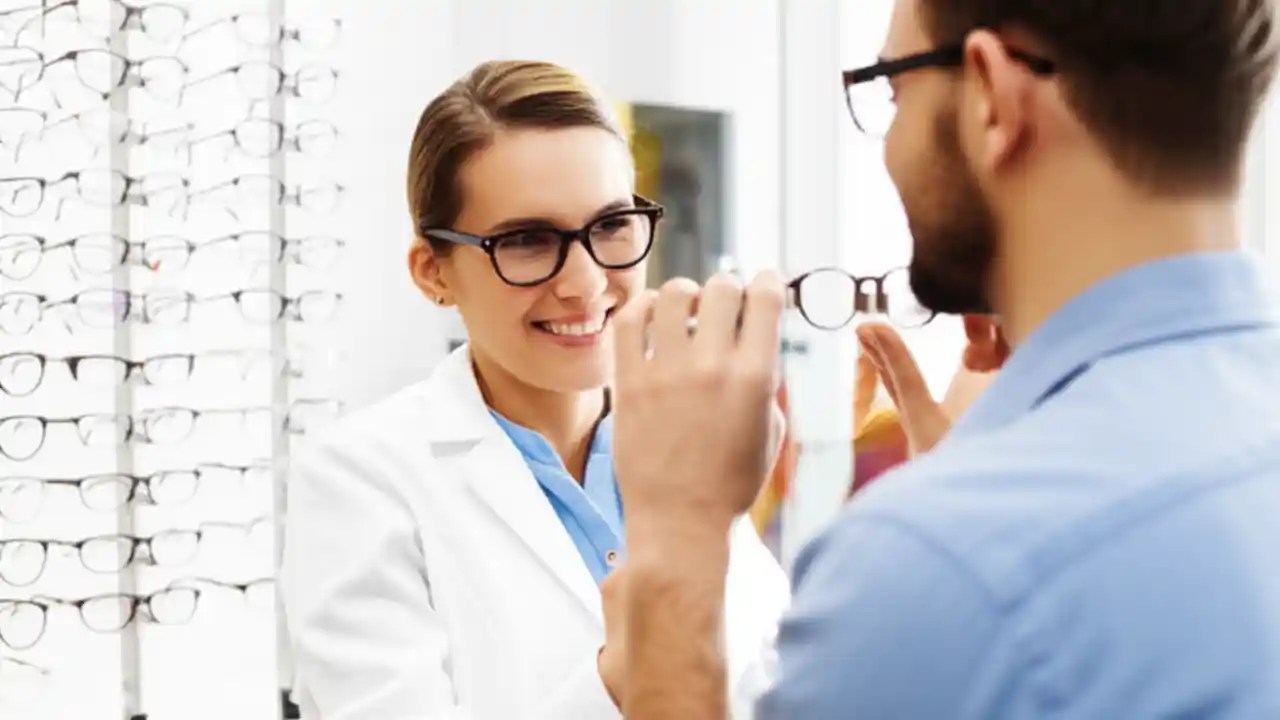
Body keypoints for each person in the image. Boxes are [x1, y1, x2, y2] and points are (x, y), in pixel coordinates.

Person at [603, 0, 1280, 718]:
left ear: (992, 94)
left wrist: (675, 554)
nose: (889, 142)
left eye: (891, 88)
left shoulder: (940, 562)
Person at [280, 60, 789, 720]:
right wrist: (628, 671)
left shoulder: (683, 445)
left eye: (610, 227)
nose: (584, 282)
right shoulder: (357, 482)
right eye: (526, 240)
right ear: (433, 271)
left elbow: (774, 681)